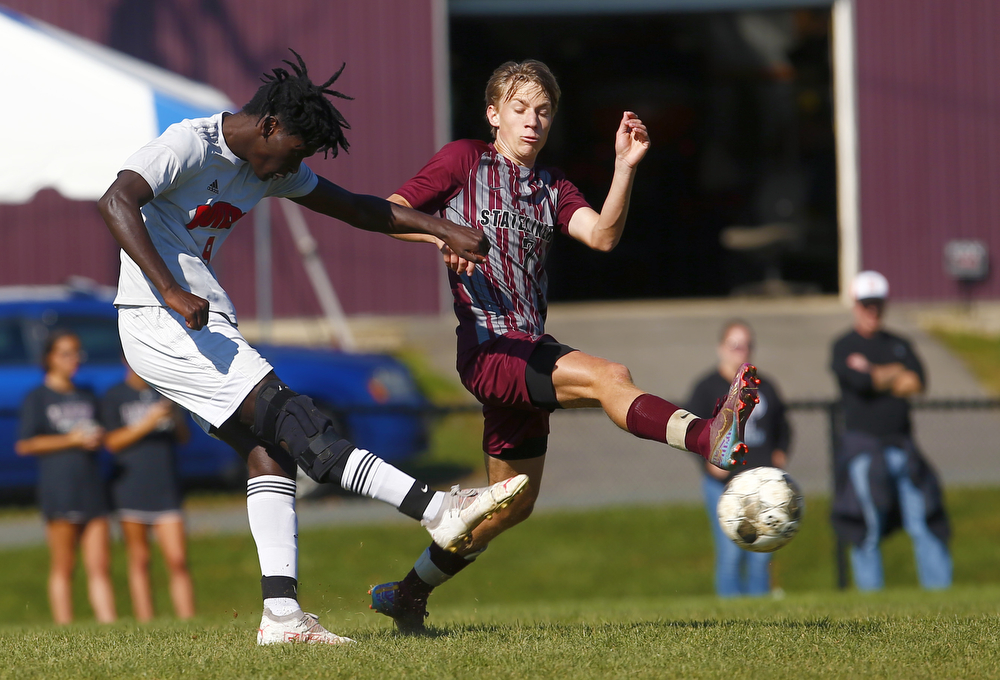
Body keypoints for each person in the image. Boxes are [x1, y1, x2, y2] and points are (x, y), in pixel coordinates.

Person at [98, 50, 528, 645]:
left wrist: (439, 228)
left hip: (191, 320)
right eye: (296, 152)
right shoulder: (188, 143)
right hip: (158, 318)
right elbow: (116, 200)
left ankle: (281, 617)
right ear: (270, 125)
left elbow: (354, 208)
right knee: (296, 419)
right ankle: (434, 508)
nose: (293, 168)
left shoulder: (268, 165)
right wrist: (169, 289)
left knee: (270, 451)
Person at [368, 59, 759, 633]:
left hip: (527, 350)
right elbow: (388, 211)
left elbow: (601, 235)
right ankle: (708, 436)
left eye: (544, 111)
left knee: (512, 501)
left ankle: (406, 594)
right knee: (609, 375)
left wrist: (624, 168)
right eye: (521, 109)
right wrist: (441, 232)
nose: (533, 121)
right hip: (489, 349)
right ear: (493, 114)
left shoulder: (551, 185)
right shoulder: (463, 160)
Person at [830, 270, 951, 591]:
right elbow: (861, 382)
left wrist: (876, 373)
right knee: (866, 526)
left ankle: (939, 594)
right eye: (866, 305)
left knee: (924, 519)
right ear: (855, 305)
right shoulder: (844, 345)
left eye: (878, 304)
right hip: (864, 450)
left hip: (902, 446)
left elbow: (917, 382)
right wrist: (888, 375)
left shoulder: (899, 343)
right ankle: (871, 598)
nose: (873, 311)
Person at [15, 330, 117, 625]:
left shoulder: (86, 394)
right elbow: (26, 444)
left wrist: (96, 438)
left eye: (77, 352)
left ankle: (109, 624)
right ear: (49, 358)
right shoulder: (38, 397)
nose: (74, 359)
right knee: (64, 564)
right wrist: (70, 440)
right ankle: (65, 626)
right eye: (66, 353)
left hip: (91, 485)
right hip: (60, 488)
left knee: (99, 565)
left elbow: (103, 433)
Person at [686, 320, 791, 597]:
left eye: (746, 346)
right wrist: (708, 463)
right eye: (734, 346)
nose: (740, 352)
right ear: (721, 348)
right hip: (724, 485)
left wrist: (780, 453)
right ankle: (730, 617)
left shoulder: (764, 385)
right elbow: (690, 431)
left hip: (761, 484)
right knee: (731, 551)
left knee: (761, 552)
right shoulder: (707, 387)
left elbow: (783, 426)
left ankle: (760, 613)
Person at [101, 360, 195, 621]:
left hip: (166, 485)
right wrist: (147, 422)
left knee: (177, 559)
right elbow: (112, 442)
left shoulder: (166, 391)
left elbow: (185, 439)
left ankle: (189, 619)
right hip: (131, 487)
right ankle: (146, 620)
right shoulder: (114, 396)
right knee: (140, 559)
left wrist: (174, 416)